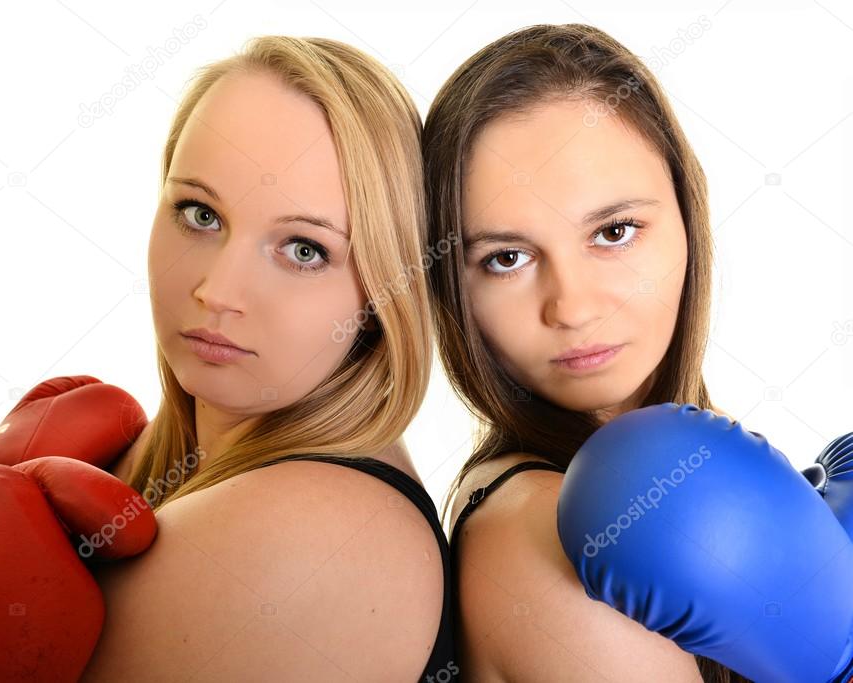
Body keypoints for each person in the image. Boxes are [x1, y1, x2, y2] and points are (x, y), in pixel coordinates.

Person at [80, 36, 456, 682]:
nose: (217, 292)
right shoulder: (173, 453)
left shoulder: (316, 533)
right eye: (200, 214)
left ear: (381, 295)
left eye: (303, 250)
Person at [422, 23, 748, 682]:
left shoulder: (687, 476)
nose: (570, 306)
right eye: (506, 258)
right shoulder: (557, 535)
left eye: (614, 232)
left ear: (688, 217)